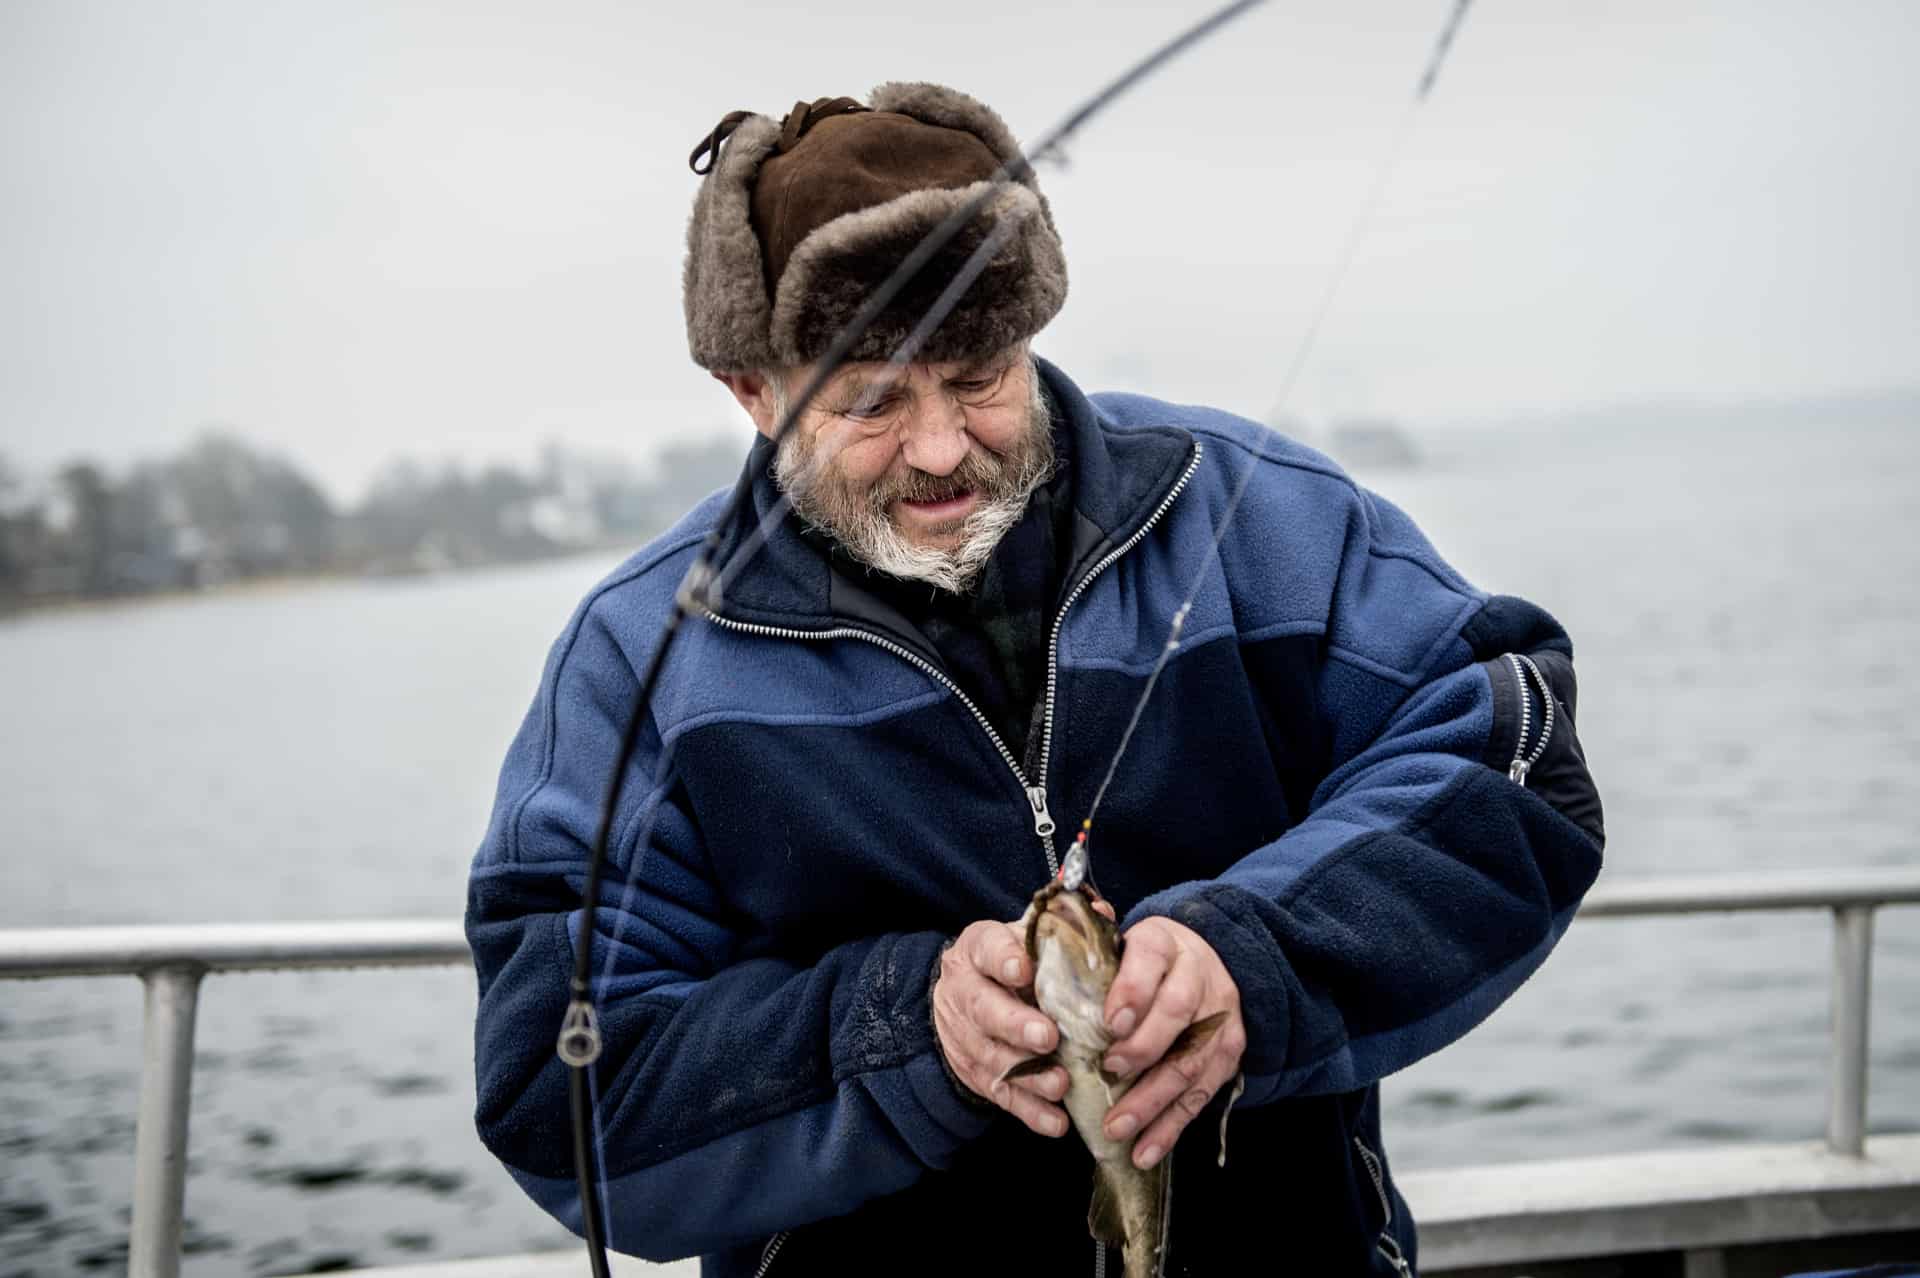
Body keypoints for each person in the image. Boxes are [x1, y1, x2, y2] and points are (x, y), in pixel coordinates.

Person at [467, 83, 1605, 1276]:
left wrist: (1256, 957)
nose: (943, 447)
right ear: (752, 393)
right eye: (869, 400)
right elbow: (560, 1095)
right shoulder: (636, 662)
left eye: (978, 374)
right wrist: (909, 1035)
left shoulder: (1255, 516)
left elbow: (1518, 756)